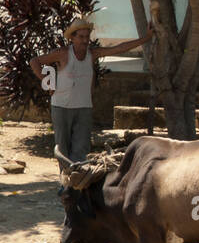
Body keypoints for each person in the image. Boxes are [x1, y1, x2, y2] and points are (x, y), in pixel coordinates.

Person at [30, 14, 152, 163]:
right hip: (61, 106)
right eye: (81, 37)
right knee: (63, 149)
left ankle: (79, 183)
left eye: (87, 37)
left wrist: (146, 38)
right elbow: (35, 61)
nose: (85, 40)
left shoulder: (92, 54)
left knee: (81, 149)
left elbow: (119, 48)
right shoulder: (62, 53)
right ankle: (66, 183)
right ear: (72, 38)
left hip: (84, 108)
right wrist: (47, 82)